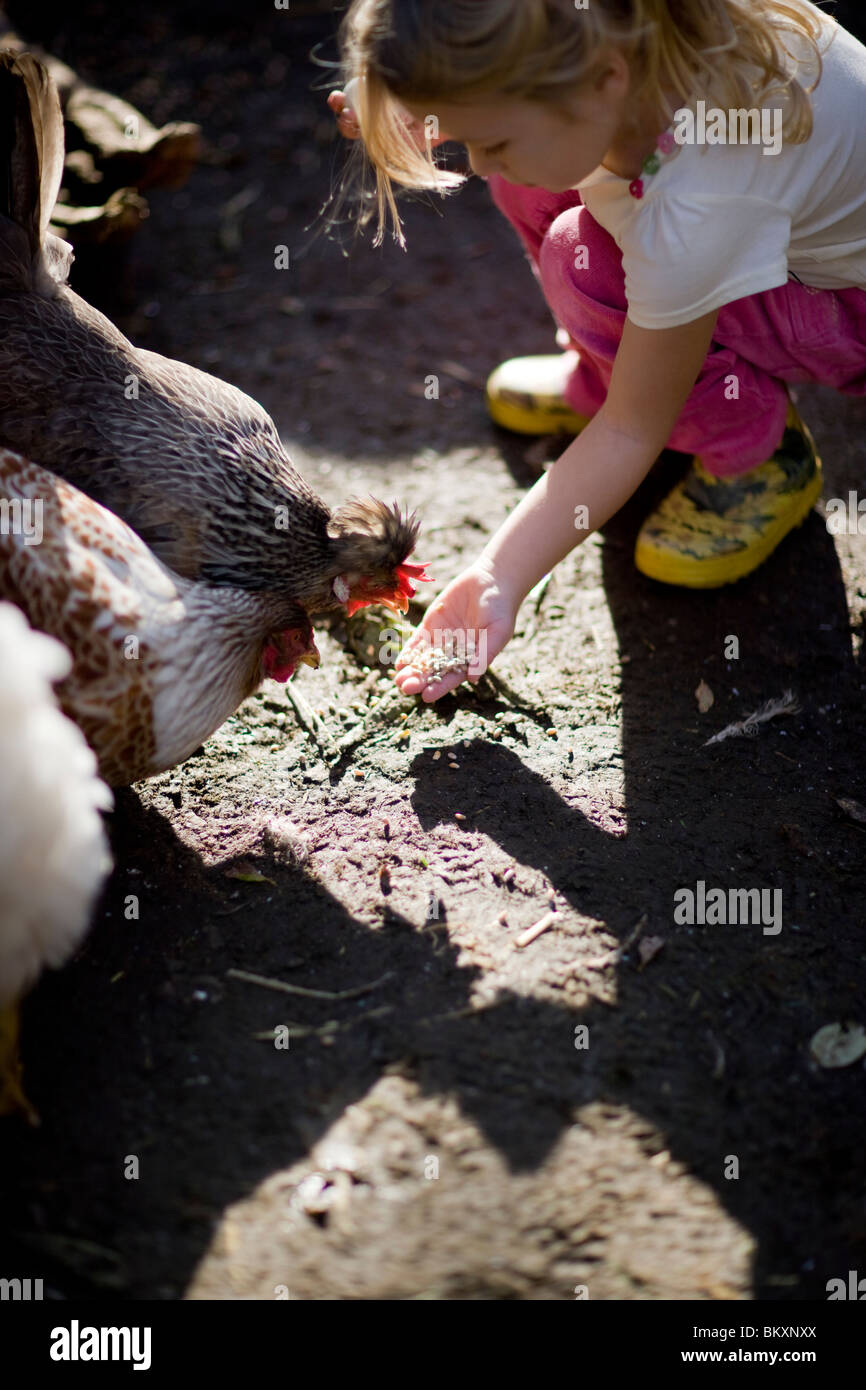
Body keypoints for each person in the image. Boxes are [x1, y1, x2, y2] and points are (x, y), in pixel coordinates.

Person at [328, 0, 866, 700]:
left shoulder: (697, 203)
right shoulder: (619, 35)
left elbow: (630, 427)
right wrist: (427, 108)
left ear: (604, 77)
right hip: (735, 224)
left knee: (586, 261)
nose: (478, 165)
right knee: (534, 179)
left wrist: (497, 576)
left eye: (489, 137)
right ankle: (613, 365)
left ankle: (755, 459)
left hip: (844, 312)